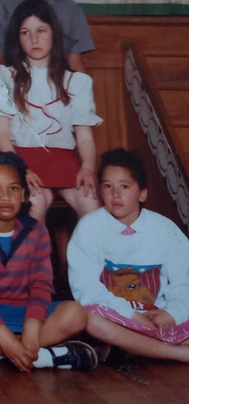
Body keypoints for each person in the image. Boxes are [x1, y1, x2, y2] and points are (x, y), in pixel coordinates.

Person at [0, 149, 98, 372]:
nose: (5, 196)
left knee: (77, 314)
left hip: (30, 316)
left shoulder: (37, 232)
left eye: (13, 188)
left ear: (24, 195)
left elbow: (41, 285)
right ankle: (44, 356)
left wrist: (31, 330)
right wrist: (5, 338)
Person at [0, 0, 102, 224]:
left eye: (41, 30)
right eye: (25, 32)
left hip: (62, 159)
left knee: (91, 202)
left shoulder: (76, 82)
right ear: (17, 38)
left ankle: (83, 260)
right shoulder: (4, 77)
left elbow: (85, 137)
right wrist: (19, 169)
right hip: (20, 158)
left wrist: (87, 166)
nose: (34, 39)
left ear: (54, 34)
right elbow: (0, 134)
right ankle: (36, 259)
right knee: (36, 201)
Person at [68, 149, 189, 362]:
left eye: (124, 186)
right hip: (118, 319)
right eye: (107, 186)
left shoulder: (165, 229)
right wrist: (132, 316)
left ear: (142, 193)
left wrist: (172, 314)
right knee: (91, 320)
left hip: (160, 318)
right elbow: (86, 288)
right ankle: (177, 353)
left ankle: (135, 348)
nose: (116, 194)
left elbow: (186, 281)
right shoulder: (89, 228)